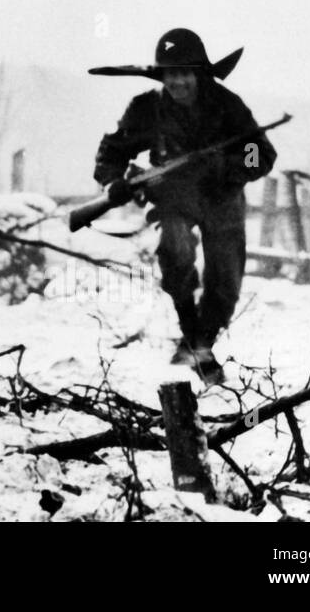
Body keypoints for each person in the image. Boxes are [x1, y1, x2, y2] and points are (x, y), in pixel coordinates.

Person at [89, 28, 277, 383]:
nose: (178, 82)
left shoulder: (228, 106)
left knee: (225, 281)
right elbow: (113, 149)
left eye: (185, 73)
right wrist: (113, 180)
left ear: (200, 74)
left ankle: (199, 342)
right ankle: (192, 333)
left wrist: (228, 166)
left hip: (222, 198)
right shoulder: (147, 108)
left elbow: (259, 154)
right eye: (170, 74)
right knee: (175, 251)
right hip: (172, 197)